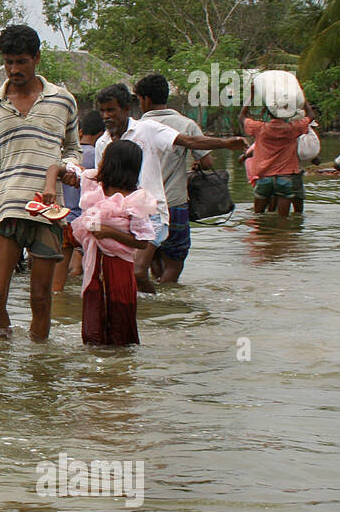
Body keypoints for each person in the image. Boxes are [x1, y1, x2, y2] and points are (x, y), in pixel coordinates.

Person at [0, 25, 81, 340]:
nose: (14, 69)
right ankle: (0, 360)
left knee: (41, 298)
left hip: (47, 212)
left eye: (22, 62)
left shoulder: (63, 101)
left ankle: (39, 366)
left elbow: (73, 150)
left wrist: (68, 168)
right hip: (5, 211)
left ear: (37, 58)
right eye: (9, 62)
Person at [92, 84, 246, 292]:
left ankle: (158, 306)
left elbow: (188, 140)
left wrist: (225, 143)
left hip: (153, 211)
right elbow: (103, 180)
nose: (106, 116)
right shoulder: (103, 142)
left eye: (111, 110)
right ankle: (152, 309)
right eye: (102, 111)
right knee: (122, 272)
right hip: (123, 214)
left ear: (126, 109)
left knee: (138, 271)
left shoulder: (147, 129)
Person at [71, 141, 157, 346]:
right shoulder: (95, 188)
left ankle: (118, 372)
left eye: (104, 159)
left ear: (113, 163)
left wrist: (109, 232)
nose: (99, 162)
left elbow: (142, 242)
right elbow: (69, 169)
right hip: (94, 266)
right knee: (93, 320)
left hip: (119, 267)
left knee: (120, 323)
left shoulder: (135, 200)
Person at [134, 74, 214, 284]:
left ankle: (154, 303)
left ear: (145, 99)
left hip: (144, 206)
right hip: (175, 203)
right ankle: (168, 299)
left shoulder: (134, 128)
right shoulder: (186, 125)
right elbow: (207, 163)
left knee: (150, 257)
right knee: (175, 259)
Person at [238, 83, 315, 222]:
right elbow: (311, 115)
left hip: (263, 177)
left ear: (268, 112)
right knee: (283, 221)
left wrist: (251, 95)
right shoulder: (293, 128)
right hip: (285, 177)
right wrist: (302, 96)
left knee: (258, 218)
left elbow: (242, 116)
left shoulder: (260, 128)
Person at [52, 109, 104, 292]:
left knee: (56, 286)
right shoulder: (98, 157)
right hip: (89, 222)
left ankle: (59, 304)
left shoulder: (64, 158)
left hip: (64, 218)